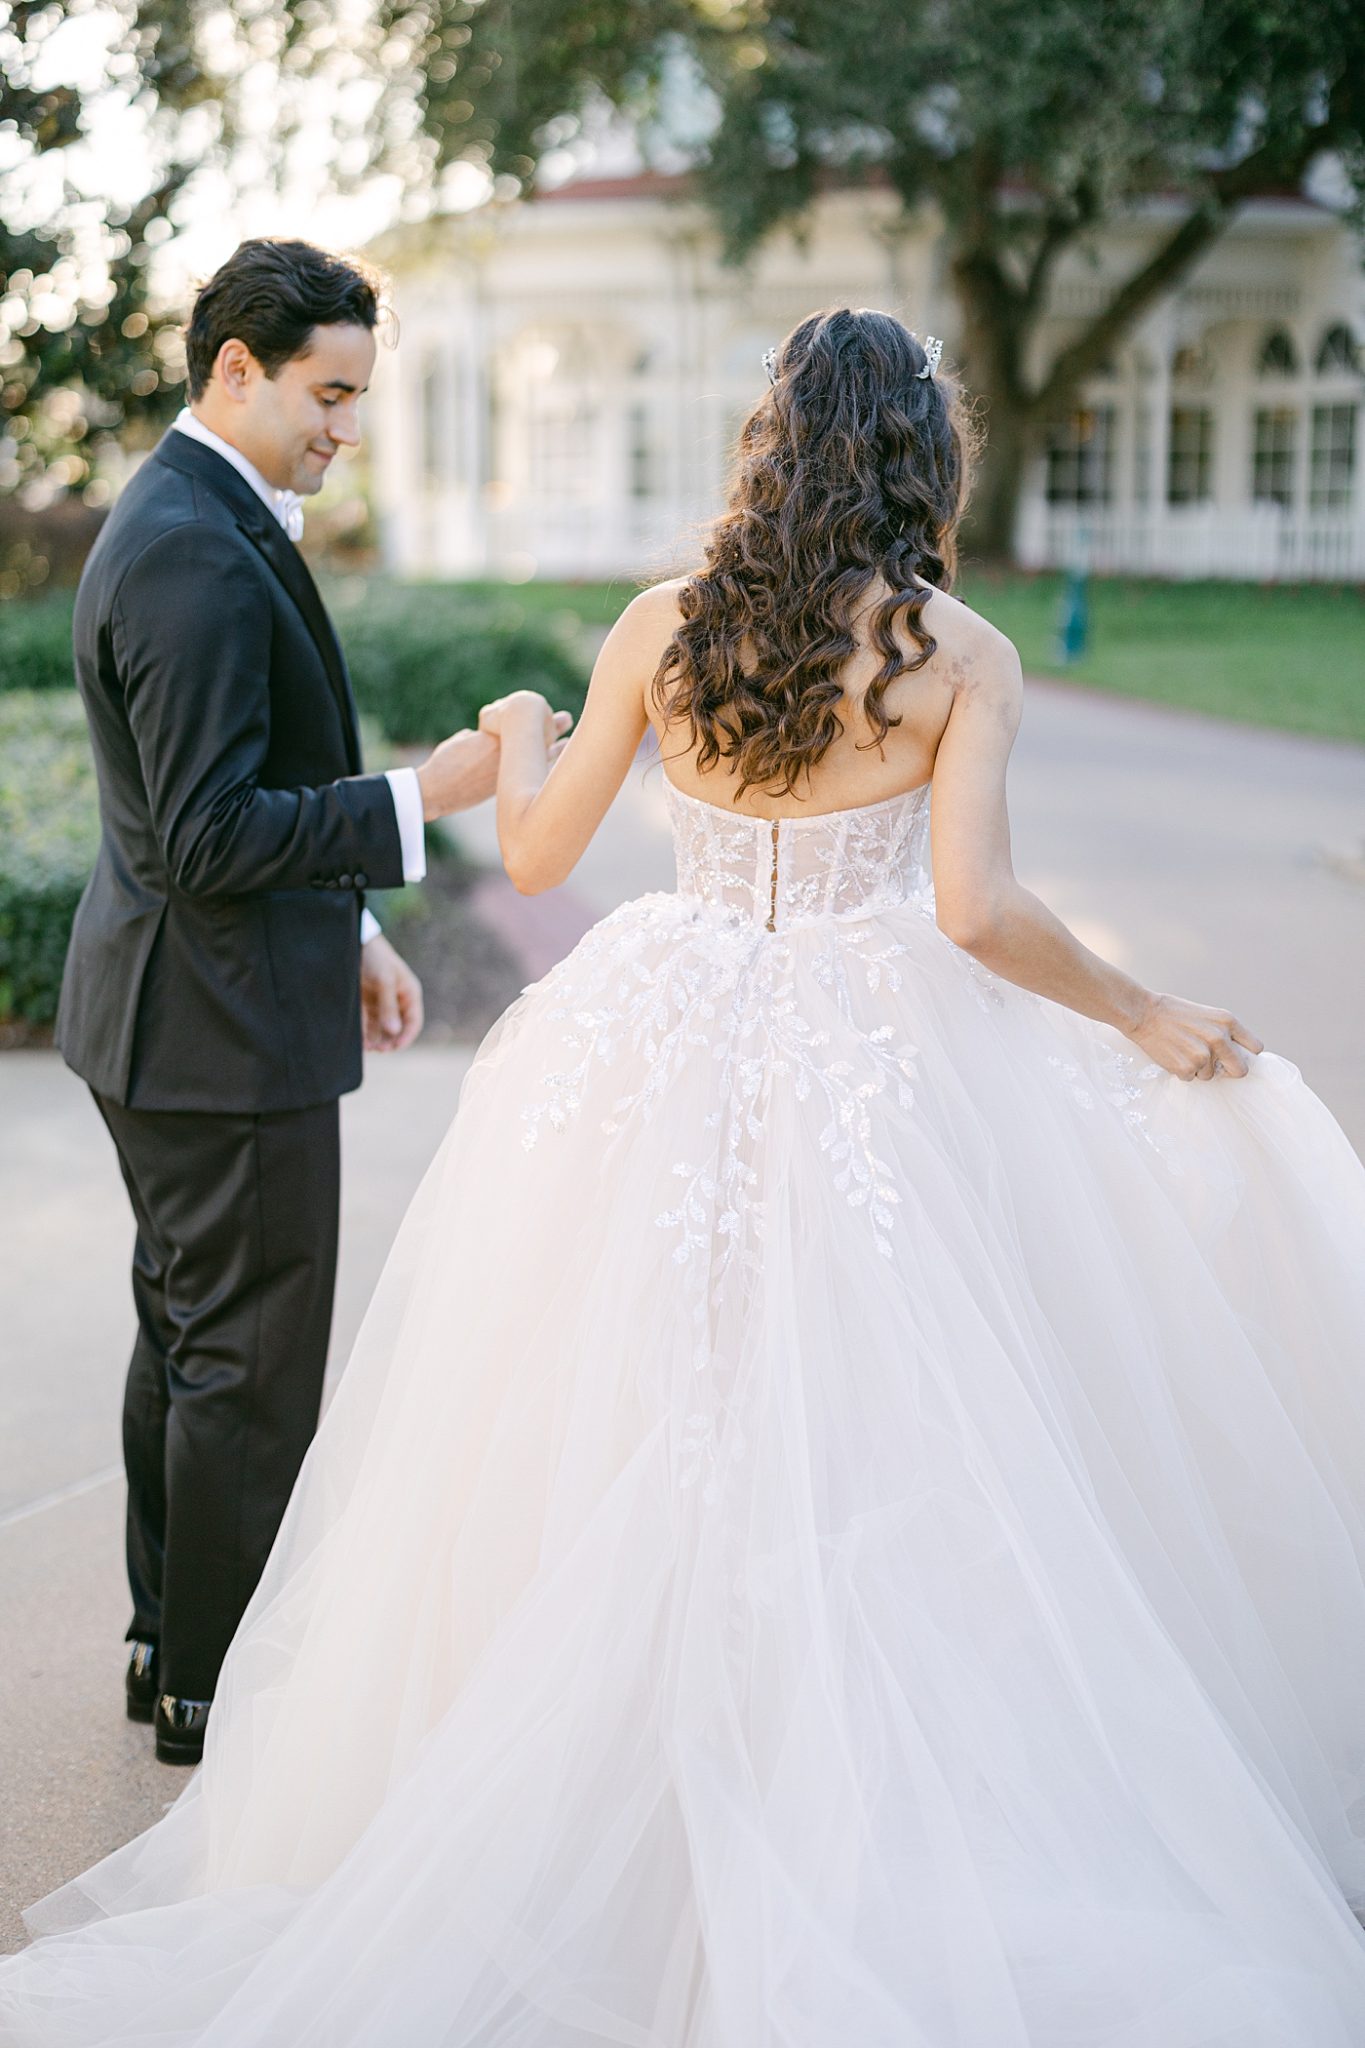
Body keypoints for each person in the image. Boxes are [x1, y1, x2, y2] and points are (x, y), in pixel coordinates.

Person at [6, 304, 1365, 2042]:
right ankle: (853, 1778)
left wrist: (519, 726)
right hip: (876, 1061)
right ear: (921, 458)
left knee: (622, 1415)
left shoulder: (663, 624)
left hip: (660, 1031)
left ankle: (604, 1776)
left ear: (769, 439)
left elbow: (551, 844)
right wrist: (1138, 1007)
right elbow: (972, 914)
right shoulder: (958, 656)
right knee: (895, 1422)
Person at [51, 237, 567, 1765]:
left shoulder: (197, 511)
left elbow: (224, 800)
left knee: (191, 1334)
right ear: (236, 368)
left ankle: (170, 1645)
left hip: (183, 1006)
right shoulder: (194, 548)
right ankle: (218, 1689)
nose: (344, 426)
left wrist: (352, 922)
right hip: (213, 1029)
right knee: (247, 1364)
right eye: (327, 394)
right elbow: (210, 833)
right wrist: (423, 799)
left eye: (355, 395)